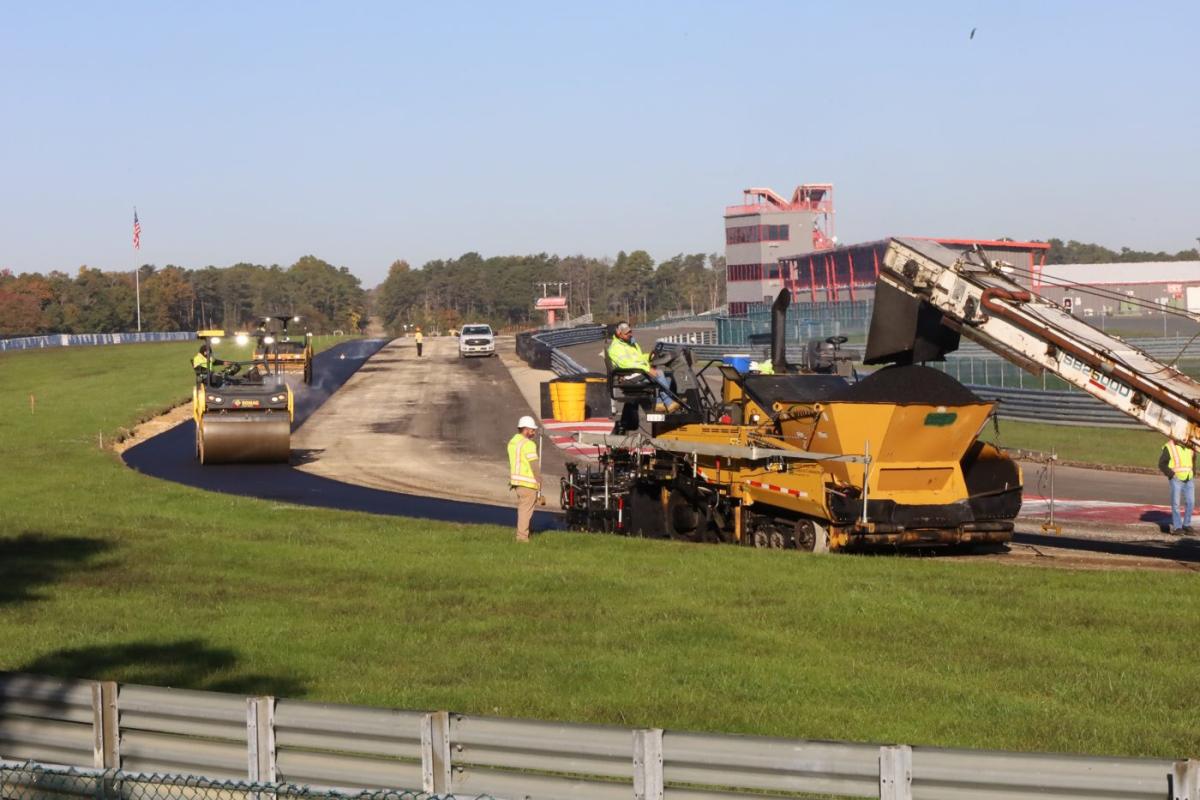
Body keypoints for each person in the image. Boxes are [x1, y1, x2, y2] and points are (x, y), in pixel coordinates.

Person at [607, 322, 678, 412]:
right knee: (658, 374)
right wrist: (647, 369)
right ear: (619, 334)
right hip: (627, 375)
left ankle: (659, 403)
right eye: (626, 333)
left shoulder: (630, 344)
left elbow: (638, 358)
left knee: (668, 376)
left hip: (636, 372)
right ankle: (669, 403)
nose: (630, 334)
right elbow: (626, 364)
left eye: (630, 332)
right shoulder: (615, 348)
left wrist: (649, 356)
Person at [507, 416, 541, 542]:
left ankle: (525, 533)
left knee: (523, 509)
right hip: (528, 483)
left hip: (517, 483)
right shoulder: (528, 444)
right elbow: (534, 465)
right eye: (532, 430)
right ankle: (522, 537)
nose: (533, 433)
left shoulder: (513, 442)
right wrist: (539, 480)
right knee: (526, 511)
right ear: (526, 429)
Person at [1158, 438, 1195, 534]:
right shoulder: (1170, 447)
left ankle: (1186, 525)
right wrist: (1171, 475)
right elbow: (1162, 464)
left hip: (1189, 478)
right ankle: (1177, 527)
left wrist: (1193, 472)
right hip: (1176, 479)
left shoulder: (1190, 445)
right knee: (1176, 504)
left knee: (1191, 502)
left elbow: (1193, 459)